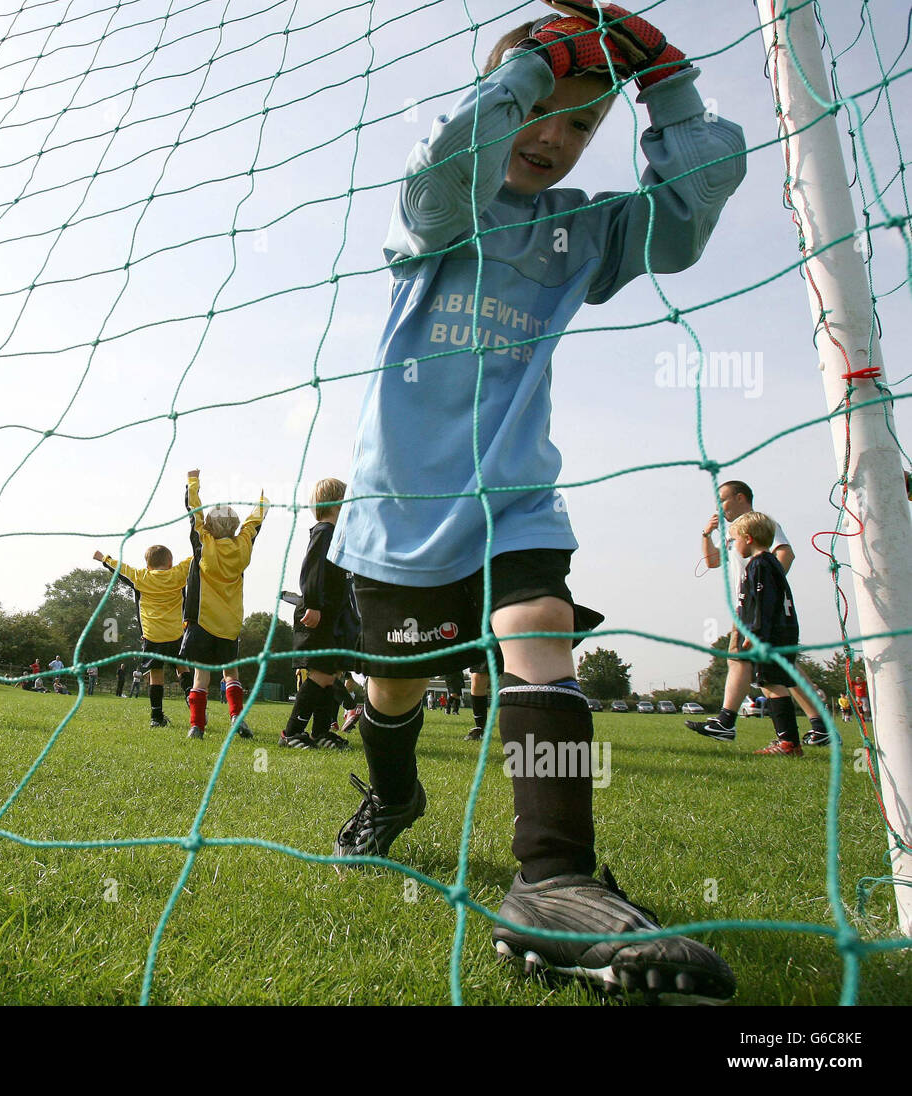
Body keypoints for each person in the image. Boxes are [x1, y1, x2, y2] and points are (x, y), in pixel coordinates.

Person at [325, 6, 744, 1001]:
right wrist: (528, 70)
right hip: (403, 511)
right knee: (395, 693)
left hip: (517, 498)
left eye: (579, 126)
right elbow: (441, 172)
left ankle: (552, 875)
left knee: (541, 628)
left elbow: (687, 216)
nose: (553, 140)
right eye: (537, 111)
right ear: (496, 97)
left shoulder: (580, 229)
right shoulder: (435, 211)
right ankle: (391, 795)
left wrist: (668, 83)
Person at [688, 479, 831, 746]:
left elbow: (785, 553)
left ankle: (726, 721)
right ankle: (820, 724)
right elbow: (712, 562)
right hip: (748, 606)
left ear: (741, 498)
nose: (720, 505)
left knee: (744, 661)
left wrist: (767, 591)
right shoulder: (732, 532)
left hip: (756, 608)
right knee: (780, 670)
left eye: (724, 499)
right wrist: (706, 535)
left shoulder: (760, 524)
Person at [180, 469, 267, 739]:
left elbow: (193, 513)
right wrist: (263, 500)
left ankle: (197, 725)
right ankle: (237, 718)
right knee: (231, 674)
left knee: (200, 676)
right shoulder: (243, 546)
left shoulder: (204, 545)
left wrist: (192, 483)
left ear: (208, 527)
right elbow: (255, 523)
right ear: (234, 527)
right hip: (230, 625)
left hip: (202, 622)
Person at [281, 478, 358, 750]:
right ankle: (292, 732)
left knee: (333, 674)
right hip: (318, 613)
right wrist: (312, 603)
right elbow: (312, 568)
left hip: (335, 618)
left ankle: (322, 732)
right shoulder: (324, 531)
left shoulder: (340, 536)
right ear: (338, 502)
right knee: (321, 673)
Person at [723, 513, 805, 756]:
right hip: (781, 631)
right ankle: (788, 742)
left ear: (748, 539)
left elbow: (764, 604)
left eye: (735, 540)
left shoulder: (759, 565)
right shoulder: (771, 564)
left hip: (771, 634)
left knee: (771, 682)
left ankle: (788, 744)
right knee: (770, 683)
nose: (735, 546)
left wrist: (755, 634)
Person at [95, 543, 192, 727]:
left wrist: (103, 559)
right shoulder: (179, 574)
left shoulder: (141, 577)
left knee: (156, 673)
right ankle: (190, 696)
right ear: (170, 563)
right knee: (181, 666)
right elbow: (197, 555)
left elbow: (121, 569)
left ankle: (156, 718)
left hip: (152, 635)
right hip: (176, 633)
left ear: (148, 565)